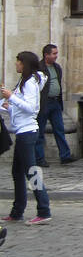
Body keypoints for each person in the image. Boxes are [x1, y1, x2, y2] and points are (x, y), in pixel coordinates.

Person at [1, 51, 53, 225]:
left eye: (18, 62)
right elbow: (20, 108)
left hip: (27, 133)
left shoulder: (30, 83)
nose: (16, 64)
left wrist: (11, 98)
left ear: (24, 64)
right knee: (17, 172)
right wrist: (9, 106)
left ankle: (44, 210)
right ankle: (17, 211)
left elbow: (31, 109)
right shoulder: (23, 82)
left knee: (32, 172)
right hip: (22, 132)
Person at [35, 42, 72, 166]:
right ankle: (40, 158)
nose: (56, 56)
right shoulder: (39, 67)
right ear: (46, 55)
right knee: (40, 131)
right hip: (44, 103)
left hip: (55, 102)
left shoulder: (57, 67)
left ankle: (65, 155)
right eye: (54, 53)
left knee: (59, 129)